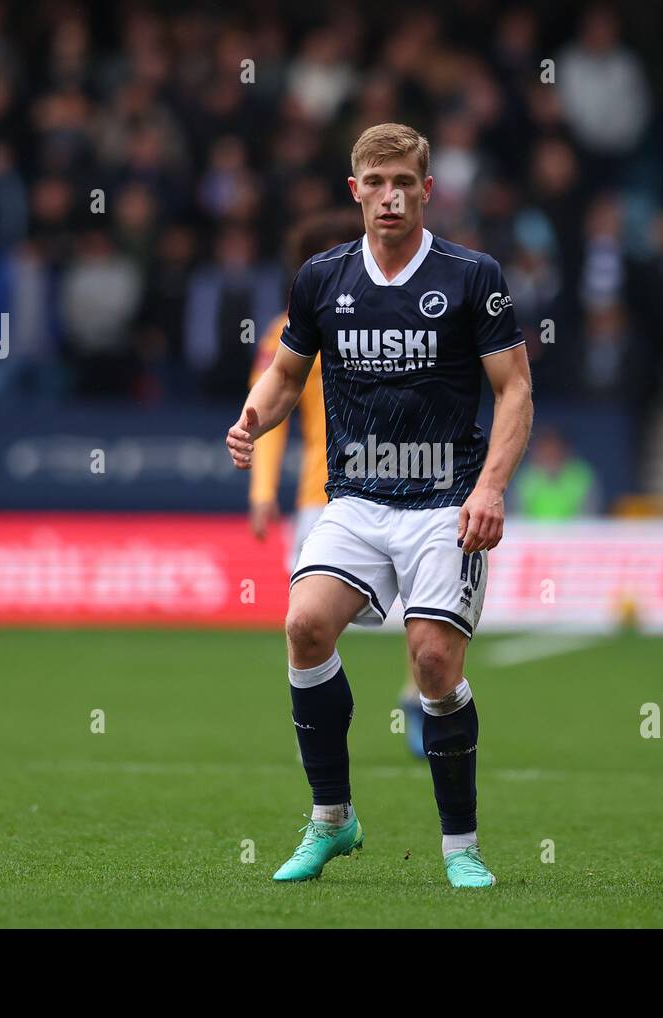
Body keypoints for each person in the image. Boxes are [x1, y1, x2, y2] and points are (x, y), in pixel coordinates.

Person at [227, 123, 533, 888]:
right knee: (303, 625)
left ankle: (460, 848)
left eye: (404, 182)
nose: (390, 196)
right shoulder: (322, 278)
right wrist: (253, 415)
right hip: (357, 498)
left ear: (427, 191)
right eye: (376, 182)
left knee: (432, 663)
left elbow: (515, 389)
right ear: (354, 190)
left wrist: (492, 486)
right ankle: (333, 819)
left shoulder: (472, 276)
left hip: (445, 501)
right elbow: (286, 373)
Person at [247, 209, 428, 760]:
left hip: (401, 485)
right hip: (319, 497)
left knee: (423, 606)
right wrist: (260, 492)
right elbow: (266, 413)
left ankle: (417, 697)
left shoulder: (392, 317)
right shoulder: (285, 333)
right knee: (309, 621)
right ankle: (321, 726)